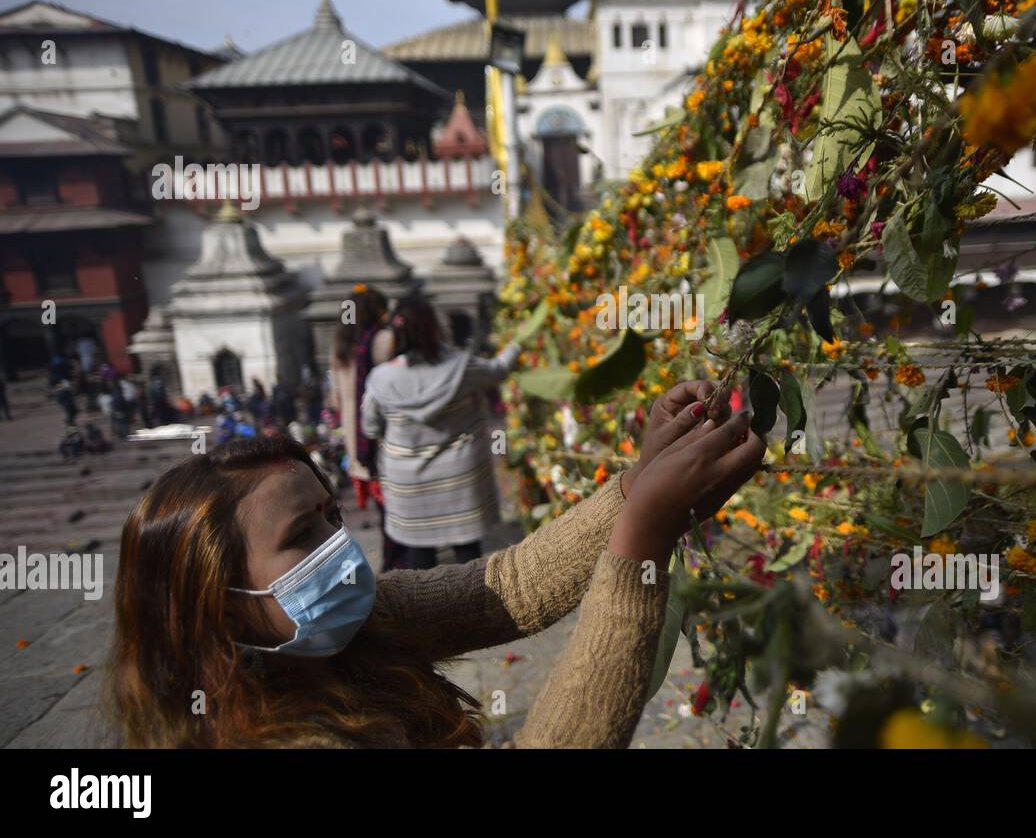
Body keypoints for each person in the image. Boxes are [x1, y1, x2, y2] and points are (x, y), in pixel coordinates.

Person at [105, 380, 758, 747]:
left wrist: (636, 482)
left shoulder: (354, 626)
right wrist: (641, 539)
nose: (340, 546)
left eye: (334, 515)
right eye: (303, 534)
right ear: (218, 601)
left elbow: (501, 586)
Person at [361, 297, 513, 571]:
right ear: (435, 328)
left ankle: (428, 612)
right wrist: (518, 342)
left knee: (419, 556)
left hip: (408, 485)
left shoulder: (381, 379)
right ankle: (473, 609)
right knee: (468, 552)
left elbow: (370, 426)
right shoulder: (462, 367)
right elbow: (498, 371)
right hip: (461, 479)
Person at [326, 286, 393, 543]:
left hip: (358, 442)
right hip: (382, 436)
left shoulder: (340, 348)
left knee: (383, 509)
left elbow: (335, 400)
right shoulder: (383, 341)